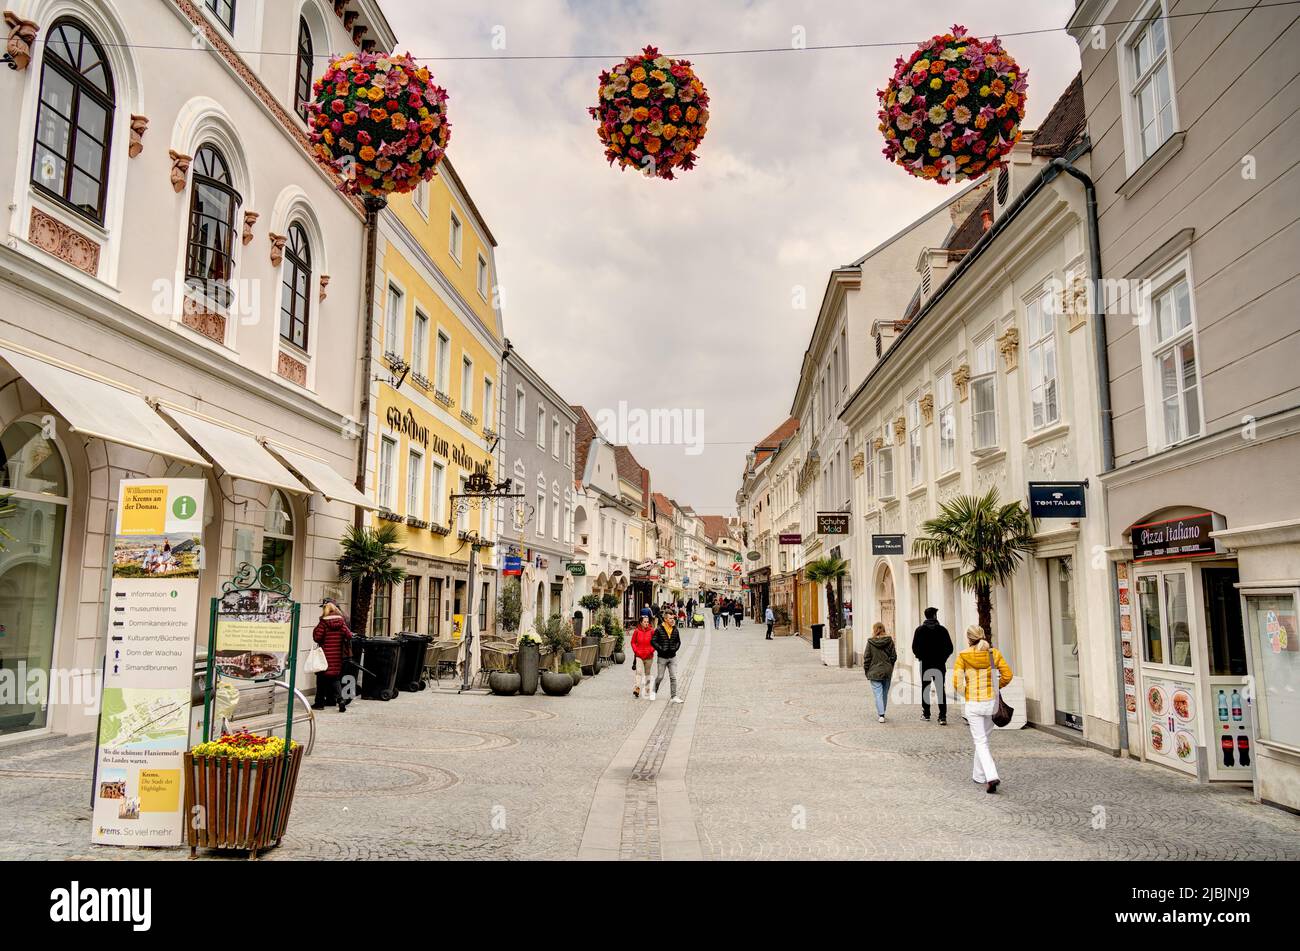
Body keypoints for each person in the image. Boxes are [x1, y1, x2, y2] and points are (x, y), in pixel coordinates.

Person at [952, 625, 1014, 793]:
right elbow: (1008, 675)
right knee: (983, 740)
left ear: (968, 639)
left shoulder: (963, 656)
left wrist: (966, 692)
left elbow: (956, 682)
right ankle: (978, 775)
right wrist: (996, 687)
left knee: (980, 741)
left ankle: (991, 776)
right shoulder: (993, 654)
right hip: (991, 703)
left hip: (973, 703)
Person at [912, 607, 954, 725]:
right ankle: (942, 716)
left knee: (925, 688)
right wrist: (943, 658)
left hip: (925, 664)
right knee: (940, 688)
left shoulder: (919, 630)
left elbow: (914, 647)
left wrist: (920, 657)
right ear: (935, 616)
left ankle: (926, 714)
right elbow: (950, 648)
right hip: (939, 664)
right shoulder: (942, 630)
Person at [312, 600, 354, 712]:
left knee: (321, 679)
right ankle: (340, 700)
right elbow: (349, 635)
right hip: (337, 656)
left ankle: (319, 703)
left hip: (324, 656)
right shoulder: (341, 622)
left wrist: (316, 629)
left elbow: (317, 637)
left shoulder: (323, 623)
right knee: (334, 678)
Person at [863, 621, 897, 723]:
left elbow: (867, 658)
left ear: (874, 630)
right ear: (883, 629)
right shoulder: (889, 641)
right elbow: (894, 656)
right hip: (887, 671)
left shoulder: (870, 642)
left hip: (874, 671)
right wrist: (889, 666)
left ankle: (881, 714)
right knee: (885, 693)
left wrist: (867, 670)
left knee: (878, 693)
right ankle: (883, 713)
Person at [650, 607, 683, 703]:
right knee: (660, 676)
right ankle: (654, 691)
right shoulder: (659, 629)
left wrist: (675, 648)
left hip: (672, 657)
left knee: (673, 677)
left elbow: (678, 642)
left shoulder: (675, 629)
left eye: (673, 618)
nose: (672, 620)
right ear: (665, 619)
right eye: (670, 618)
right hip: (662, 658)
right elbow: (653, 641)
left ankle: (674, 696)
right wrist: (660, 649)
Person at [629, 608, 656, 698]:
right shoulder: (637, 631)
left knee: (647, 673)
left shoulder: (652, 631)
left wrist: (651, 650)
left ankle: (647, 688)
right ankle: (637, 688)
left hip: (649, 656)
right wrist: (636, 650)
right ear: (641, 622)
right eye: (644, 622)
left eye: (647, 621)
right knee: (639, 672)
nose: (646, 623)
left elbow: (655, 642)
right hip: (639, 655)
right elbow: (632, 642)